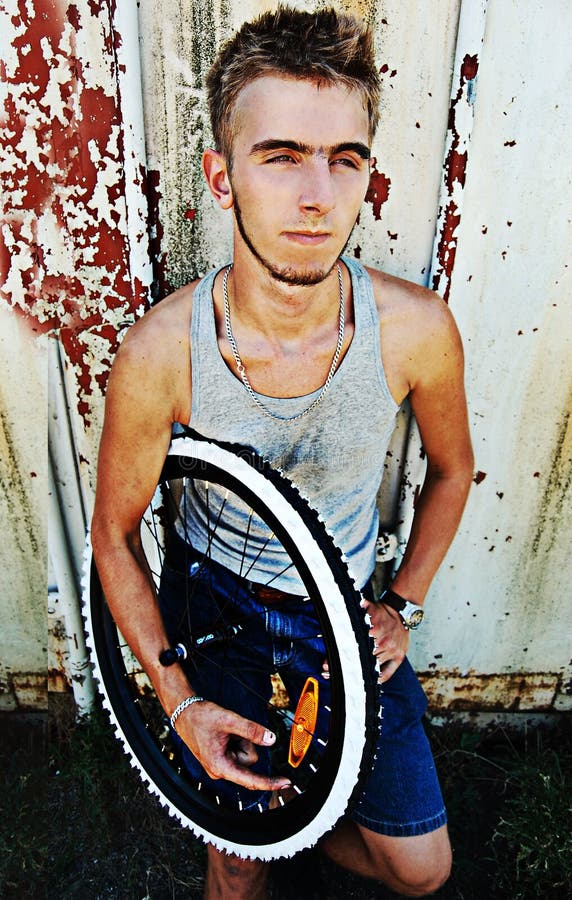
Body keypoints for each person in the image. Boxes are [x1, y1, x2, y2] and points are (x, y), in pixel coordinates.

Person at [91, 6, 474, 898]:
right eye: (281, 156)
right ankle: (266, 834)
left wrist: (402, 607)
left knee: (424, 872)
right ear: (221, 179)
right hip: (215, 604)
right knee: (237, 863)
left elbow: (452, 472)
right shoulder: (160, 355)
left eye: (345, 159)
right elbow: (114, 534)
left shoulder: (416, 331)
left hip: (343, 610)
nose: (317, 195)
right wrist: (179, 699)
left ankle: (299, 825)